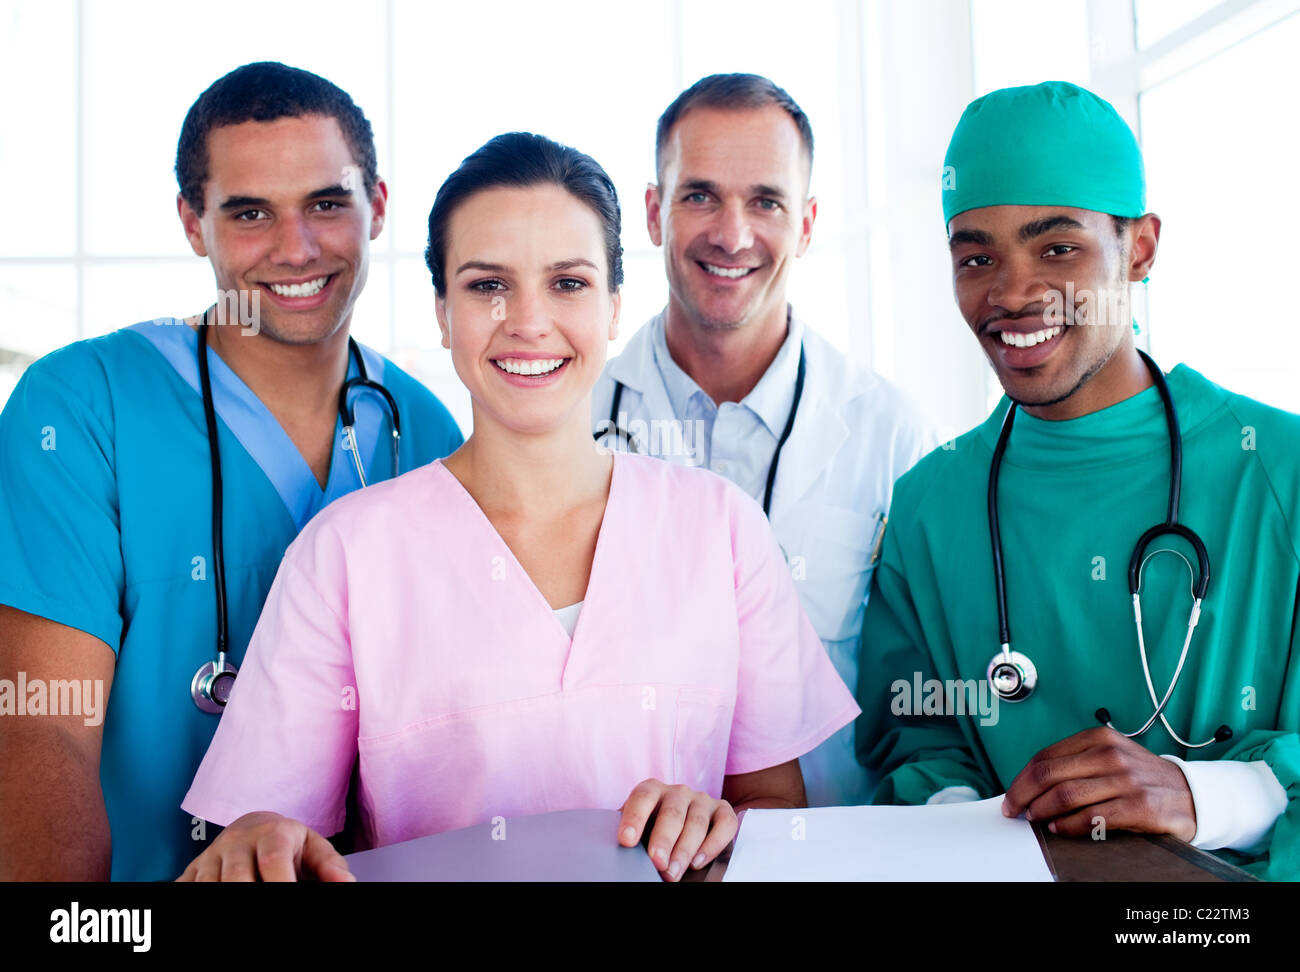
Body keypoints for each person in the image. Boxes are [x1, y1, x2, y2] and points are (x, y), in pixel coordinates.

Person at [178, 132, 859, 882]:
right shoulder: (344, 554)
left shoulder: (721, 530)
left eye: (568, 283)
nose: (528, 321)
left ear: (613, 308)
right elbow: (272, 838)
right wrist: (258, 843)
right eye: (486, 285)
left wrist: (719, 824)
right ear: (442, 313)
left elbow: (774, 812)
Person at [0, 62, 462, 881]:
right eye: (250, 212)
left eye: (327, 203)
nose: (297, 247)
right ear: (191, 222)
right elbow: (41, 726)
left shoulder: (423, 429)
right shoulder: (78, 407)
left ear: (378, 207)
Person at [855, 81, 1300, 881]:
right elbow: (912, 742)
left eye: (1057, 247)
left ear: (1140, 249)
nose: (1013, 292)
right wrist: (979, 830)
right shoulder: (929, 504)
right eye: (976, 255)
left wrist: (1204, 793)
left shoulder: (1281, 471)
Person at [592, 74, 936, 808]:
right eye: (700, 195)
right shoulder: (571, 420)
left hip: (829, 855)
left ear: (807, 224)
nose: (732, 233)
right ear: (653, 213)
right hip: (622, 852)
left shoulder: (892, 436)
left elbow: (928, 698)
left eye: (766, 201)